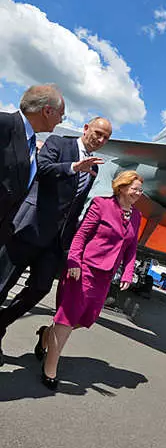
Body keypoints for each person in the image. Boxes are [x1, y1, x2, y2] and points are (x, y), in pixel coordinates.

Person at [0, 117, 112, 366]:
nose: (100, 140)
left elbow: (75, 205)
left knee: (40, 288)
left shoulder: (95, 168)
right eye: (97, 133)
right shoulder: (59, 143)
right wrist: (73, 167)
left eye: (106, 137)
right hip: (29, 226)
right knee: (3, 284)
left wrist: (69, 245)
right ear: (85, 129)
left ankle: (0, 324)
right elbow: (42, 168)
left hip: (55, 241)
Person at [39, 170, 143, 390]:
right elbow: (81, 235)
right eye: (135, 189)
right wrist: (74, 261)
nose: (138, 193)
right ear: (122, 187)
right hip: (84, 270)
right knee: (67, 318)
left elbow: (131, 249)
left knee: (87, 318)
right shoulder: (101, 205)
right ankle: (50, 368)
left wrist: (127, 272)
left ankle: (47, 334)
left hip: (105, 277)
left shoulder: (136, 216)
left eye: (141, 190)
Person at [0, 84, 65, 247]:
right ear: (47, 111)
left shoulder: (31, 143)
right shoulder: (3, 125)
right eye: (61, 114)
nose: (61, 120)